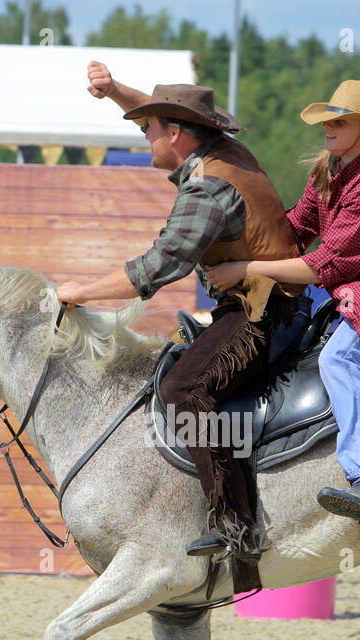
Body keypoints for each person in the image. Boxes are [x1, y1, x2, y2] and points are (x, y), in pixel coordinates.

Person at [56, 63, 306, 558]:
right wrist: (114, 94)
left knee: (182, 388)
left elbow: (160, 264)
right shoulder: (220, 154)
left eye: (147, 130)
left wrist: (81, 292)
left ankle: (236, 524)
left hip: (265, 310)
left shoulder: (208, 187)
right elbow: (161, 119)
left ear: (176, 135)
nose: (142, 136)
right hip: (265, 301)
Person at [207, 79, 360, 530]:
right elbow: (296, 229)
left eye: (340, 120)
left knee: (339, 359)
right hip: (357, 284)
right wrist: (231, 240)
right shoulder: (329, 168)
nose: (329, 126)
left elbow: (325, 264)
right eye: (328, 118)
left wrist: (244, 269)